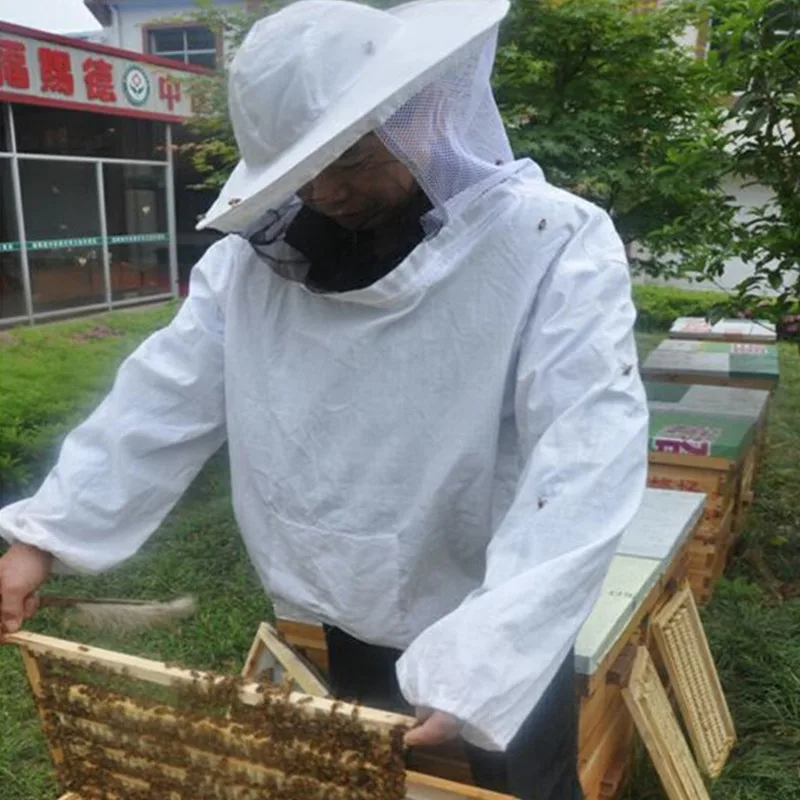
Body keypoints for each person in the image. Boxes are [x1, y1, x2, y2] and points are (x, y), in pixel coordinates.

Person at [0, 1, 649, 797]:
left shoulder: (553, 243)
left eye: (350, 159)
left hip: (495, 611)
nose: (325, 192)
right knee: (355, 781)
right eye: (302, 169)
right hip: (340, 610)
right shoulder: (249, 269)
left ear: (420, 118)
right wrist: (43, 535)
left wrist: (486, 661)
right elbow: (160, 399)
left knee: (522, 786)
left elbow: (584, 457)